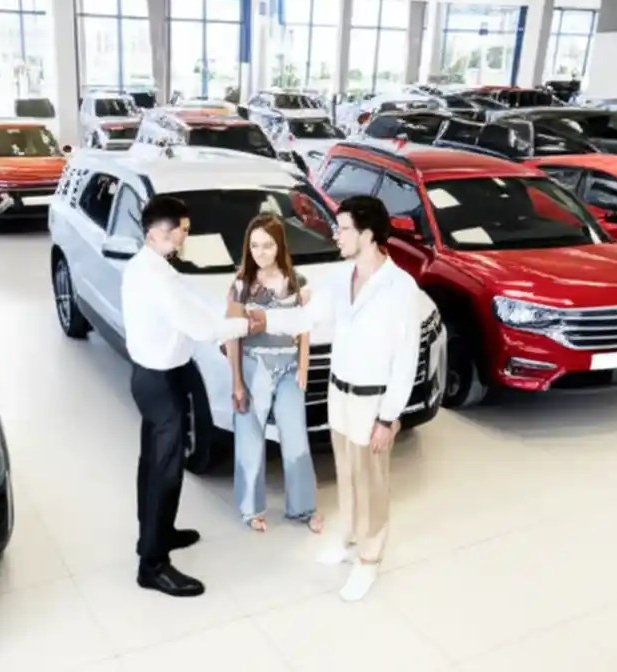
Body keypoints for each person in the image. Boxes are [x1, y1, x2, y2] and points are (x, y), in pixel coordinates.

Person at [253, 195, 425, 602]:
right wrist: (264, 319)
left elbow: (406, 358)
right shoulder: (342, 278)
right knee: (346, 474)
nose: (336, 234)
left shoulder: (400, 287)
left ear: (367, 234)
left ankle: (370, 557)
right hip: (340, 393)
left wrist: (389, 417)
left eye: (343, 227)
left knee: (373, 483)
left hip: (373, 401)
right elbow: (307, 319)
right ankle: (348, 535)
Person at [122, 196, 262, 598]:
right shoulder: (155, 276)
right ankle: (153, 565)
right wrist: (244, 325)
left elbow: (193, 306)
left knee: (152, 461)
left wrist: (227, 315)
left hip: (157, 375)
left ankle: (156, 534)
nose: (187, 235)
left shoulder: (147, 265)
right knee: (165, 470)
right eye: (182, 228)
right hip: (159, 381)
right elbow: (198, 325)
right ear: (158, 232)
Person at [225, 214, 321, 534]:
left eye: (267, 245)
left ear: (280, 245)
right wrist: (237, 381)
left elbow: (304, 328)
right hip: (254, 366)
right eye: (254, 246)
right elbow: (232, 336)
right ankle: (251, 508)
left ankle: (303, 507)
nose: (261, 252)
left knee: (296, 439)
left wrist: (304, 367)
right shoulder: (240, 286)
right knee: (250, 439)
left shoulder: (298, 282)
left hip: (290, 367)